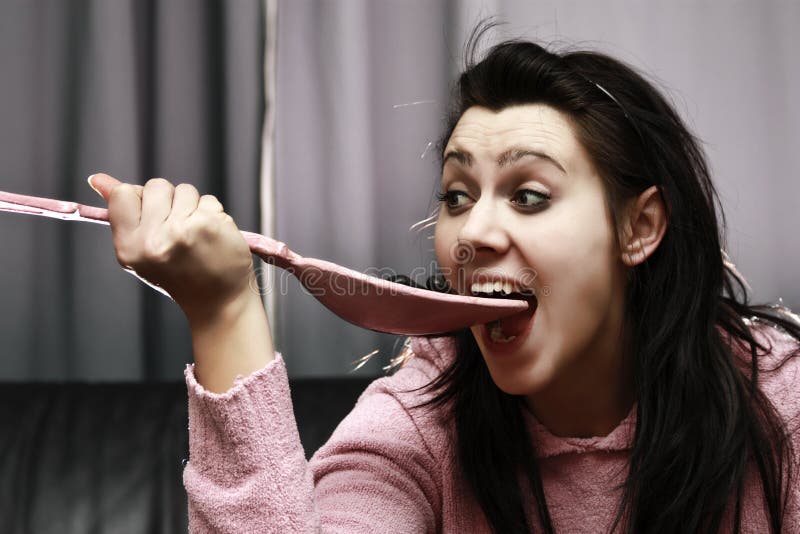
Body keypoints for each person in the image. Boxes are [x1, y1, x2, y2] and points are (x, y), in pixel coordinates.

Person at [88, 26, 799, 534]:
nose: (475, 234)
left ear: (639, 228)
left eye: (528, 195)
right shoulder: (419, 424)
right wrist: (223, 313)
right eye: (457, 197)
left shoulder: (781, 406)